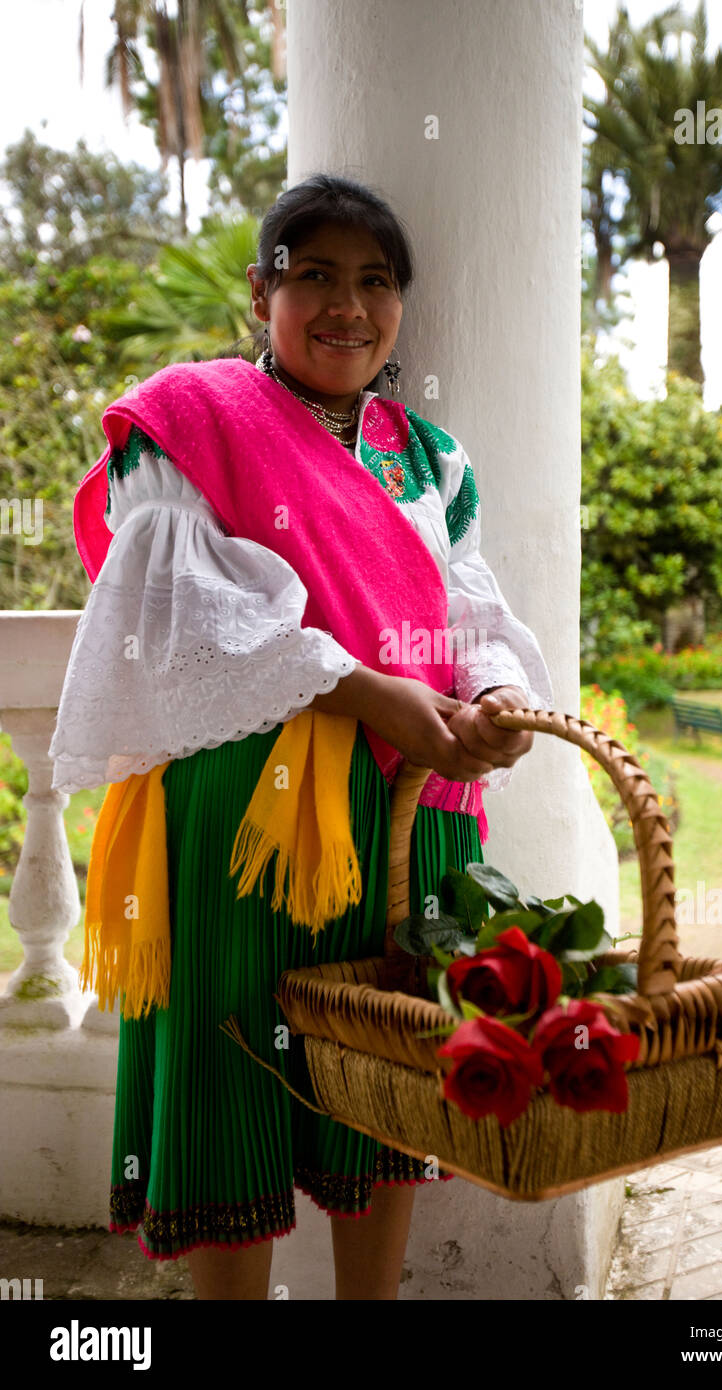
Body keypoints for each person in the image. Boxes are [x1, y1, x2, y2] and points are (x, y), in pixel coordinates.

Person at [49, 173, 554, 1301]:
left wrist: (491, 696)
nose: (347, 305)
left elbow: (466, 607)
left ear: (400, 308)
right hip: (246, 814)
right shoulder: (189, 419)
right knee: (238, 1075)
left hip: (408, 812)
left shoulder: (429, 459)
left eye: (375, 281)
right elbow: (179, 613)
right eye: (313, 273)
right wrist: (357, 685)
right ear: (261, 291)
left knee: (385, 1078)